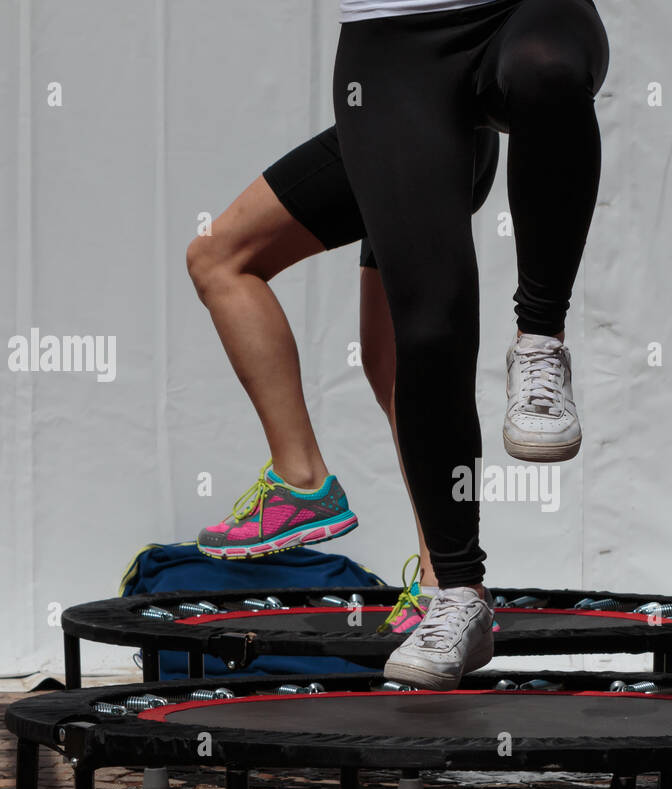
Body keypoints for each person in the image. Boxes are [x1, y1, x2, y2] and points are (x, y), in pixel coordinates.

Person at [332, 0, 609, 687]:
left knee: (547, 70)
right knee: (427, 328)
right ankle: (459, 593)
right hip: (391, 33)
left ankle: (539, 340)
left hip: (527, 12)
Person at [186, 124, 500, 634]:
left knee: (218, 257)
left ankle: (301, 481)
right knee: (395, 363)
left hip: (402, 129)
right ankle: (441, 587)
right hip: (462, 138)